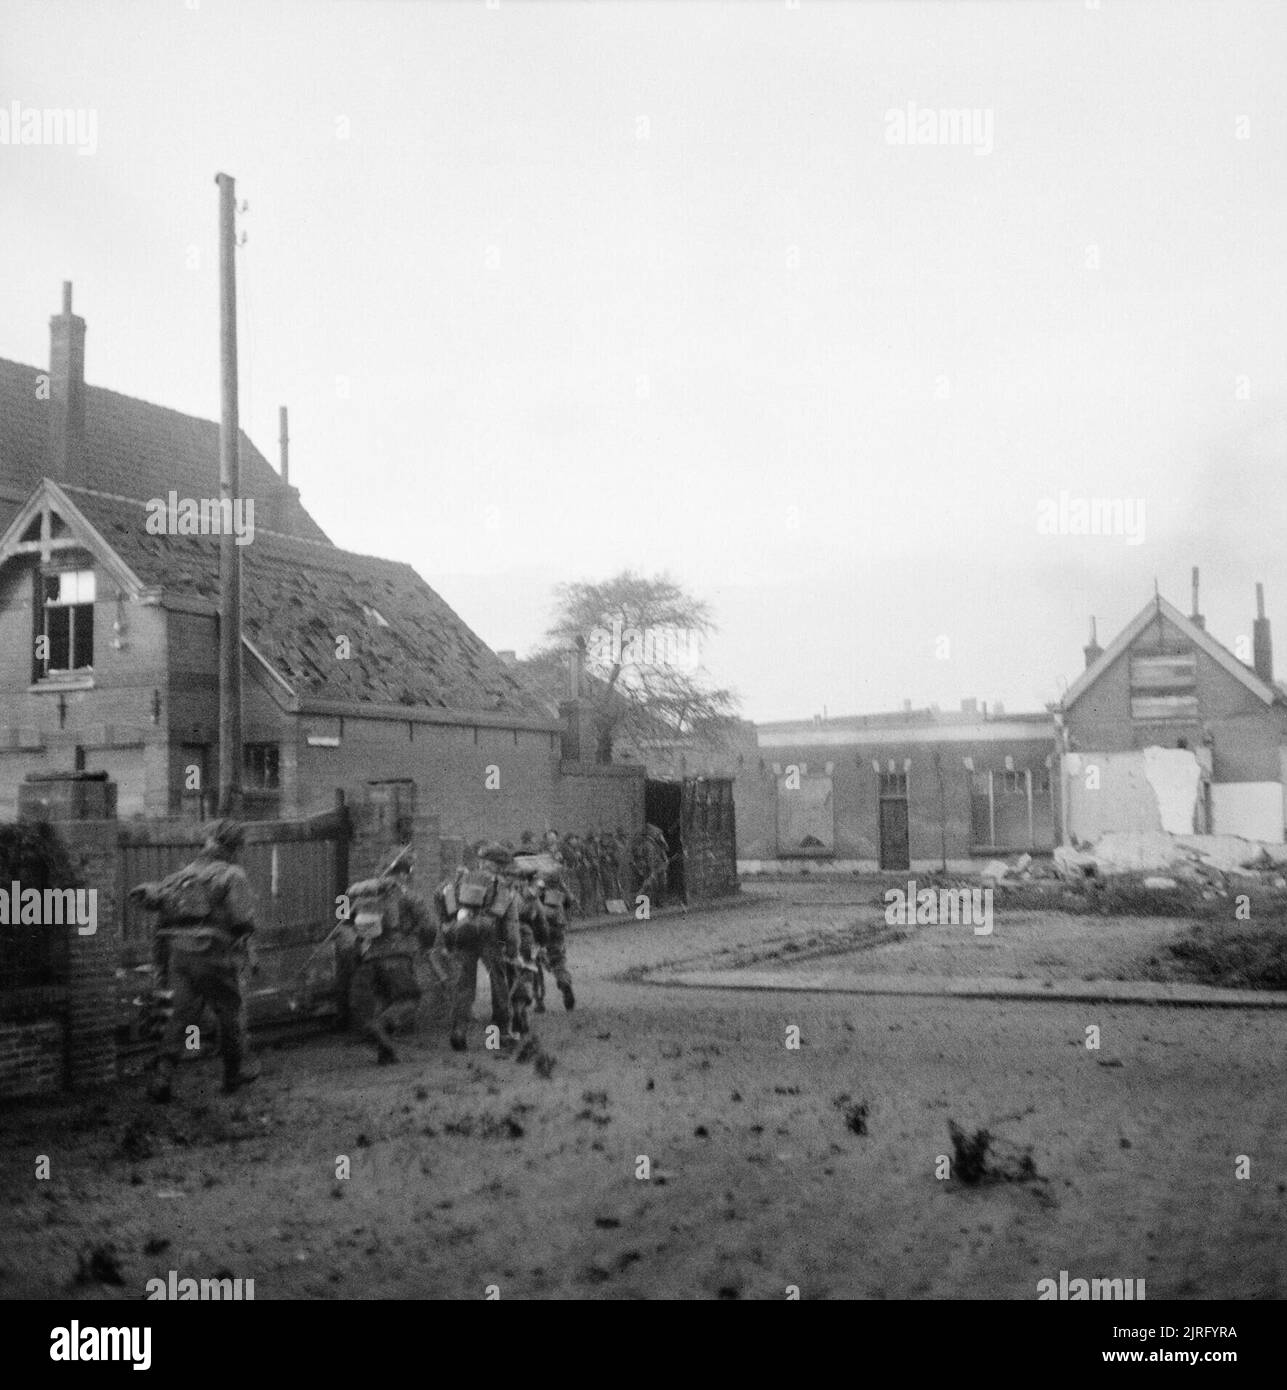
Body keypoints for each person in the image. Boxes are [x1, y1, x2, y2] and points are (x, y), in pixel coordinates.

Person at [130, 818, 260, 1103]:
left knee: (178, 1017)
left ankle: (162, 1079)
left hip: (179, 954)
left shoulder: (185, 873)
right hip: (214, 954)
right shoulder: (232, 874)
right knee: (229, 1013)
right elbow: (242, 921)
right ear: (235, 846)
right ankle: (232, 1076)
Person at [343, 846, 436, 1065]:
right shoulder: (408, 896)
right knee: (409, 998)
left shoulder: (364, 895)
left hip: (368, 957)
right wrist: (426, 946)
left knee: (384, 1000)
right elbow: (429, 926)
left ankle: (386, 1052)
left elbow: (346, 920)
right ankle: (381, 1025)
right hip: (397, 955)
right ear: (404, 873)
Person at [436, 842, 526, 1052]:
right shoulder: (501, 886)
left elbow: (446, 905)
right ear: (496, 864)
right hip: (490, 939)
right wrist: (513, 950)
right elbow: (510, 923)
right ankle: (497, 1037)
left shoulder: (461, 879)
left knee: (464, 987)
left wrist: (449, 937)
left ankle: (459, 1032)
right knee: (498, 985)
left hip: (463, 936)